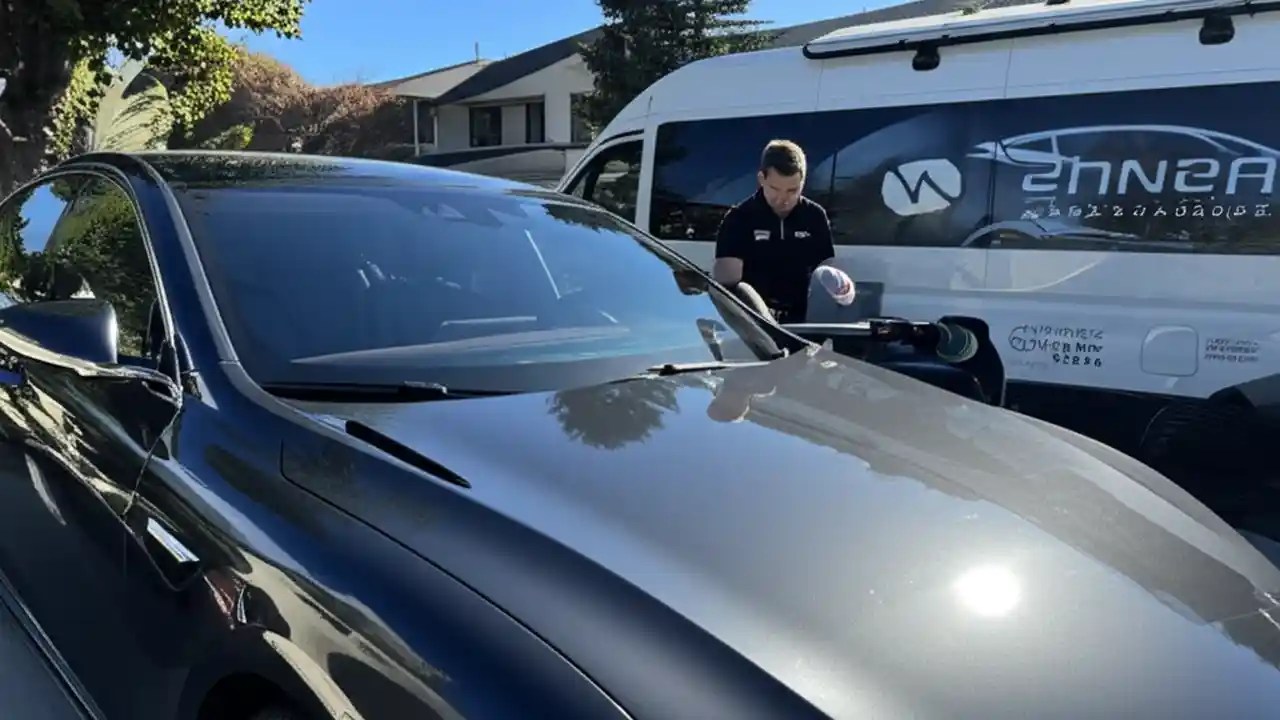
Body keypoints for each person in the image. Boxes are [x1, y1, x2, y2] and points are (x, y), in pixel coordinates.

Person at [711, 139, 843, 324]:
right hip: (756, 322)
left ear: (803, 183)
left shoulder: (814, 215)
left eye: (792, 190)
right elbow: (728, 282)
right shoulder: (739, 218)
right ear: (761, 179)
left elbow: (828, 268)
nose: (783, 198)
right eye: (775, 189)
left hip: (804, 321)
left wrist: (838, 285)